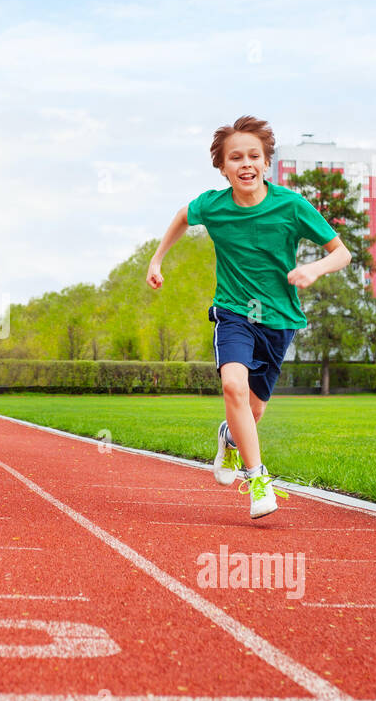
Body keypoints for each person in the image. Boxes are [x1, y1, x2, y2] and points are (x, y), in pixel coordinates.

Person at [146, 116, 351, 518]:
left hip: (279, 319)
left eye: (253, 156)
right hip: (234, 312)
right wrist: (157, 259)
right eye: (235, 157)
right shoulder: (214, 206)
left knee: (252, 413)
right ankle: (259, 481)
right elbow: (183, 216)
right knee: (233, 389)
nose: (245, 163)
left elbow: (341, 253)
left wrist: (314, 269)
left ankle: (231, 437)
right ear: (222, 167)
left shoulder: (292, 206)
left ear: (266, 162)